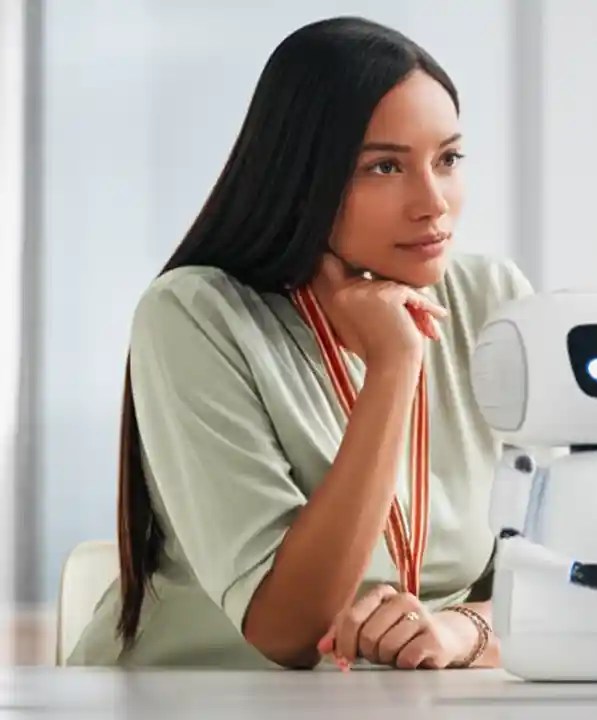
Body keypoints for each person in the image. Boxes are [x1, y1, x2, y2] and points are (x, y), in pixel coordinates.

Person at [68, 16, 532, 670]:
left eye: (448, 159)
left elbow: (574, 583)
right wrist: (394, 366)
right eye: (384, 167)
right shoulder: (195, 314)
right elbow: (287, 629)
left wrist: (462, 631)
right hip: (201, 700)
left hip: (402, 701)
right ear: (303, 174)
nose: (434, 204)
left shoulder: (492, 300)